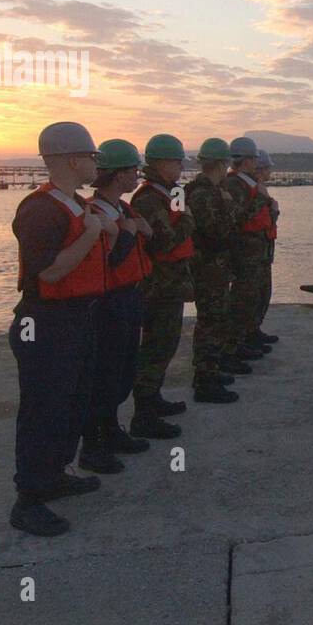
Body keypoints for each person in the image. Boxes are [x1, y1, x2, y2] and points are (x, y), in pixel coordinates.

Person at [9, 121, 110, 537]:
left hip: (75, 319)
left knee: (73, 403)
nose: (95, 164)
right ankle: (28, 499)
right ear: (72, 159)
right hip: (45, 324)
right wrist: (91, 236)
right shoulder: (40, 209)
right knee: (43, 410)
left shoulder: (75, 203)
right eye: (91, 156)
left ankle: (55, 474)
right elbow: (50, 273)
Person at [79, 139, 154, 473]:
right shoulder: (94, 212)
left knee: (124, 370)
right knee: (104, 373)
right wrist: (127, 232)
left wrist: (134, 228)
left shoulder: (123, 210)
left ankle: (111, 430)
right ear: (117, 175)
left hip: (131, 295)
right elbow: (106, 260)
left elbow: (147, 235)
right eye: (133, 170)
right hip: (108, 302)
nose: (138, 175)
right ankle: (93, 446)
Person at [130, 134, 195, 438]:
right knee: (156, 347)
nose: (181, 167)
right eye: (177, 161)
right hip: (157, 286)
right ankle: (143, 414)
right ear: (160, 163)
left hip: (171, 283)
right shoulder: (148, 198)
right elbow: (163, 240)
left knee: (167, 344)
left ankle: (153, 399)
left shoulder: (167, 193)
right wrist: (188, 220)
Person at [185, 138, 243, 404]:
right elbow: (215, 230)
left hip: (214, 267)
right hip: (209, 268)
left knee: (216, 319)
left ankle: (211, 371)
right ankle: (205, 380)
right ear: (221, 164)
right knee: (210, 321)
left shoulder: (206, 190)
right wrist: (229, 204)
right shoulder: (204, 192)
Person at [223, 137, 271, 366]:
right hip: (244, 250)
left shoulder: (247, 183)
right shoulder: (235, 184)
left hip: (256, 248)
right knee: (241, 300)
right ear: (246, 160)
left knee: (254, 296)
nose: (256, 163)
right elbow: (239, 217)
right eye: (253, 159)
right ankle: (234, 345)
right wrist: (263, 200)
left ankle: (248, 336)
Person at [248, 148, 281, 350]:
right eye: (268, 169)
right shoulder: (248, 190)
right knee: (249, 299)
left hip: (261, 252)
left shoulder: (257, 189)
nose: (270, 173)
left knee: (261, 295)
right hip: (251, 254)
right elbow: (244, 220)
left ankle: (254, 331)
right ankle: (244, 339)